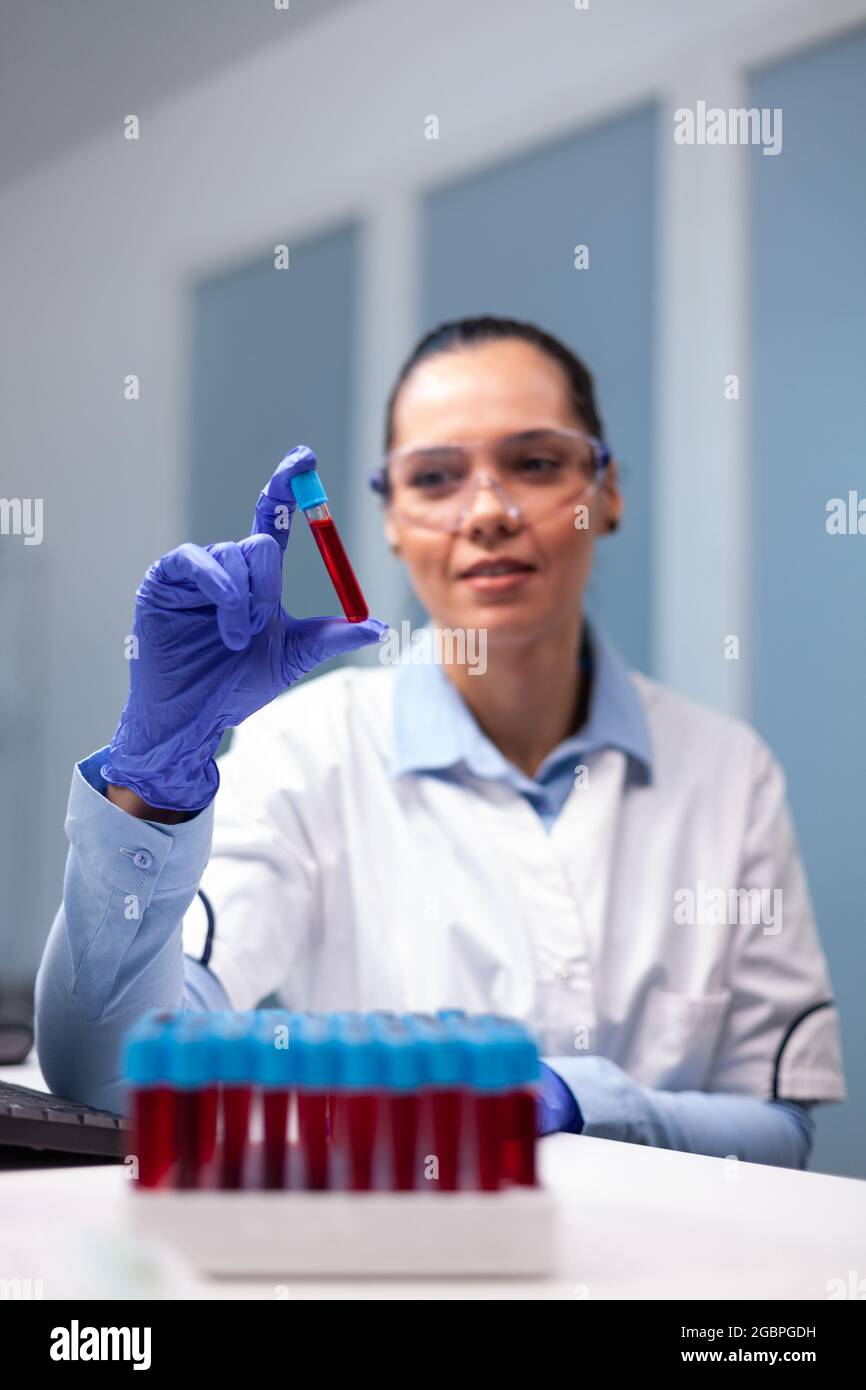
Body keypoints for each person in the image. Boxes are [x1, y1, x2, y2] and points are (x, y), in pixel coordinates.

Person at [35, 315, 845, 1165]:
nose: (488, 513)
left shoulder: (728, 770)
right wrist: (155, 779)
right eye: (435, 476)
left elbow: (780, 1133)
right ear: (389, 518)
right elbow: (113, 1079)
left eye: (535, 463)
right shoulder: (307, 751)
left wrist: (584, 1103)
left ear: (605, 494)